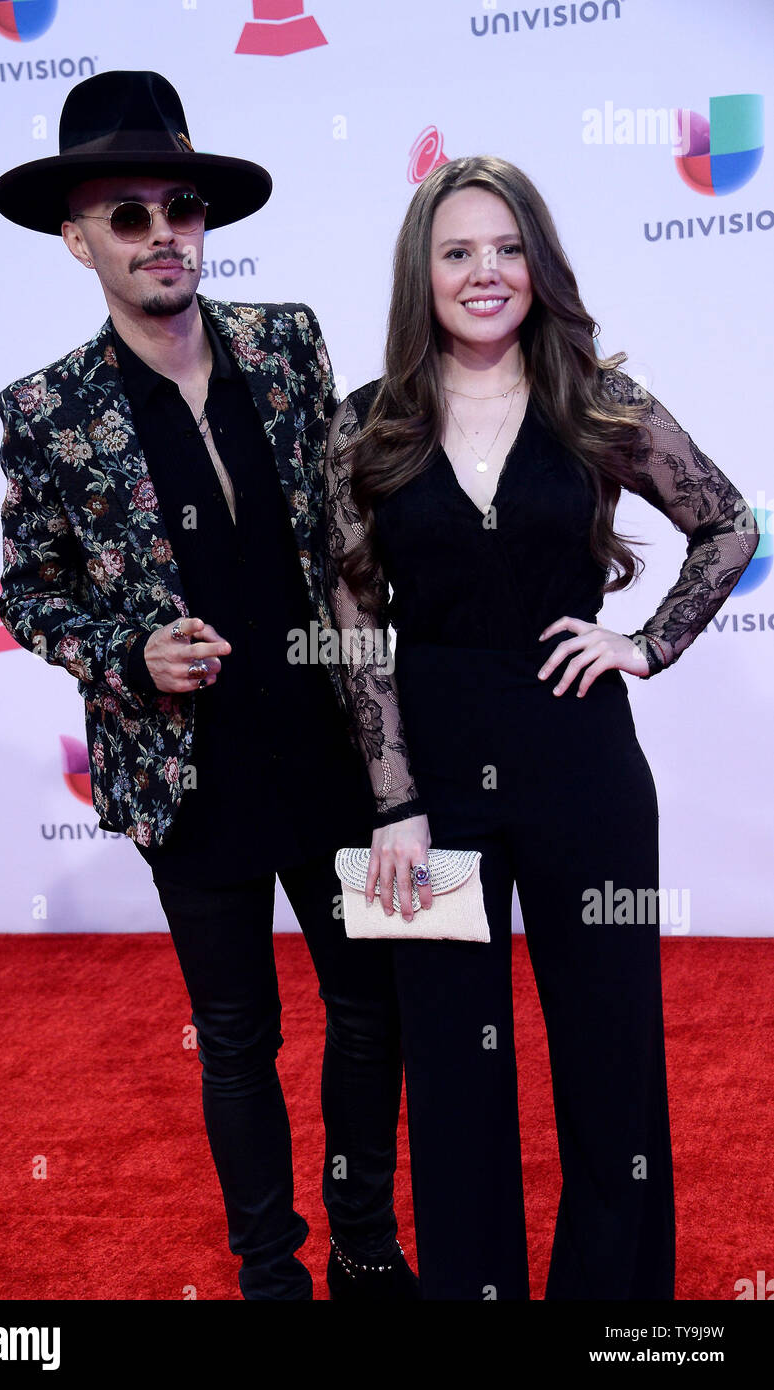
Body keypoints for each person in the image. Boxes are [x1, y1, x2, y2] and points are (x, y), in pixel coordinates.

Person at [0, 69, 420, 1301]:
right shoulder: (48, 408)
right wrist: (129, 653)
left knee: (370, 1003)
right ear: (78, 241)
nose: (161, 231)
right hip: (187, 769)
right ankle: (270, 1267)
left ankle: (367, 1239)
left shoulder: (286, 340)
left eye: (179, 204)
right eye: (125, 215)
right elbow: (30, 591)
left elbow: (349, 527)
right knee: (236, 1034)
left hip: (335, 743)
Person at [323, 154, 759, 1300]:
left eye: (507, 247)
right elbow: (354, 627)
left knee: (612, 1063)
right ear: (422, 272)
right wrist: (395, 805)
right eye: (457, 250)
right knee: (454, 1080)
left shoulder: (597, 401)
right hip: (428, 790)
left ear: (539, 264)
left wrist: (645, 642)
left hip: (581, 764)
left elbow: (728, 522)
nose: (484, 271)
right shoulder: (363, 425)